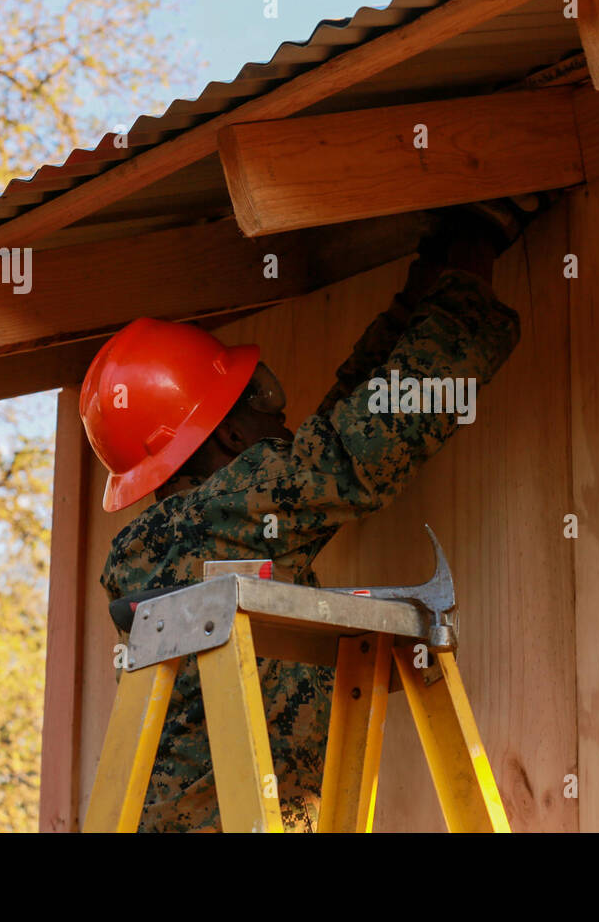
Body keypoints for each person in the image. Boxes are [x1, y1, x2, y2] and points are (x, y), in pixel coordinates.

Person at [80, 202, 537, 831]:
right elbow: (364, 442)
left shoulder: (192, 534)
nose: (280, 416)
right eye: (261, 396)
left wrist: (420, 289)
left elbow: (334, 431)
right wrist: (469, 270)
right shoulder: (221, 514)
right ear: (225, 434)